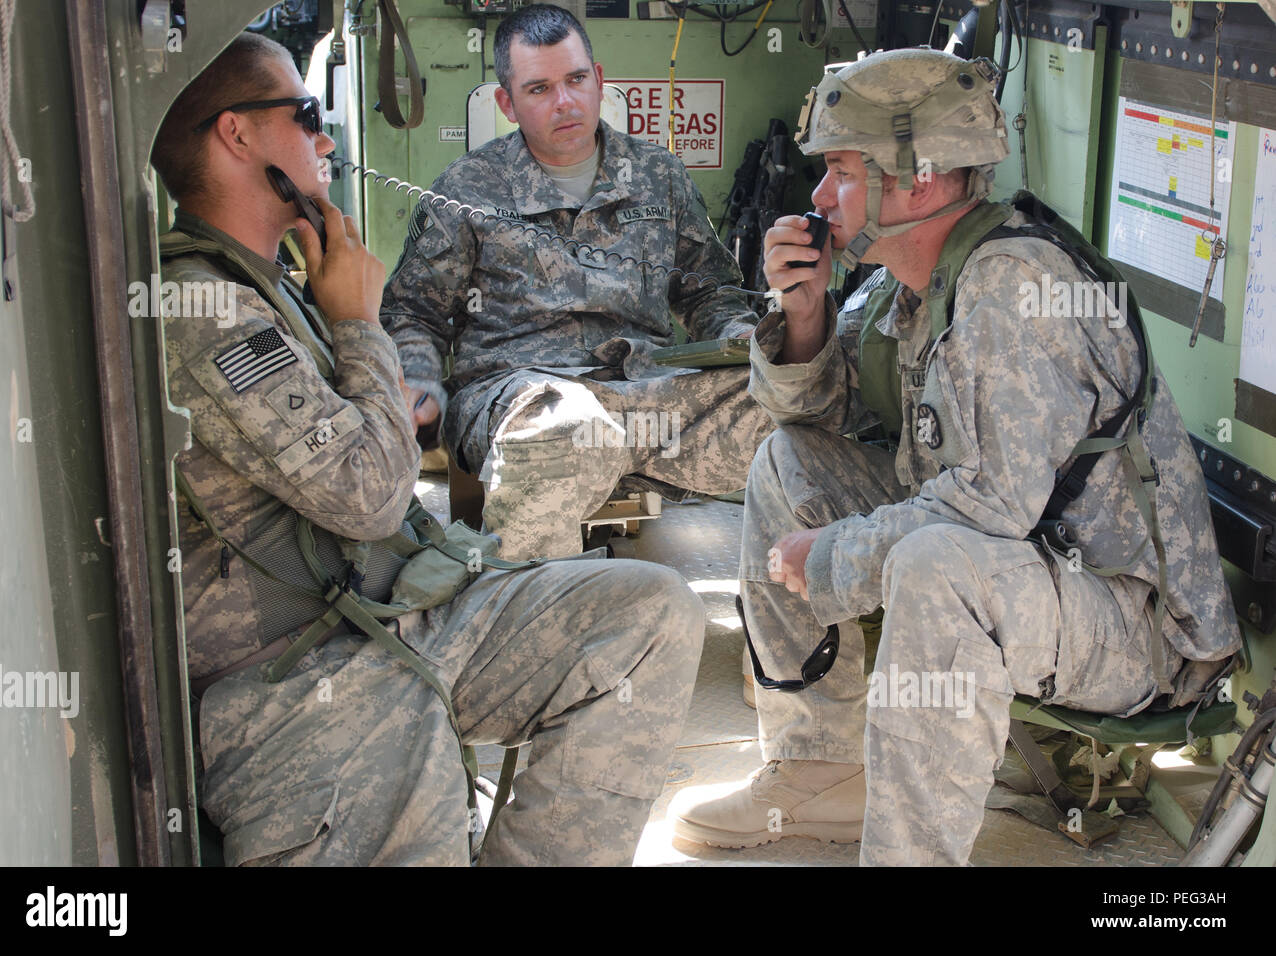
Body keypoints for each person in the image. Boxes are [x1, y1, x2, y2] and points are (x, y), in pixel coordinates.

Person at [668, 48, 1241, 866]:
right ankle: (818, 771)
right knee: (788, 463)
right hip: (1029, 571)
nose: (822, 198)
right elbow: (824, 421)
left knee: (939, 565)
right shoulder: (919, 271)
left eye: (840, 169)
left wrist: (829, 555)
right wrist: (803, 312)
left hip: (1129, 626)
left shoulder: (1012, 288)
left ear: (921, 179)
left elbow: (986, 510)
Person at [153, 32, 704, 866]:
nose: (328, 139)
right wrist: (358, 324)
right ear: (237, 136)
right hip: (304, 669)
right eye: (306, 117)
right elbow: (369, 491)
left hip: (391, 610)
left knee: (649, 613)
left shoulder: (268, 284)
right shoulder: (204, 307)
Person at [380, 4, 771, 560]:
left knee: (787, 402)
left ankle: (811, 611)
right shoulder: (468, 187)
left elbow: (710, 290)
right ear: (506, 103)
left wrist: (742, 344)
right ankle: (524, 609)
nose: (564, 102)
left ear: (599, 81)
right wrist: (419, 382)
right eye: (538, 89)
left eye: (576, 80)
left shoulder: (658, 175)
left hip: (645, 390)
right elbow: (412, 311)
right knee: (564, 432)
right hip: (520, 396)